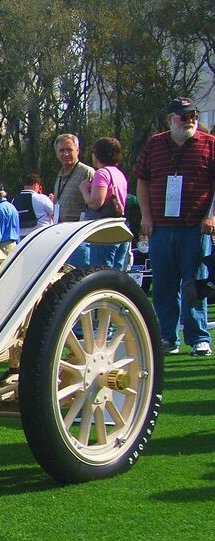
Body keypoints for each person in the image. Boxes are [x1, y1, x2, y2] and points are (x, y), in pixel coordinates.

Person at [134, 96, 215, 356]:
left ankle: (199, 337)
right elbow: (143, 182)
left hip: (195, 226)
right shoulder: (155, 144)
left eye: (193, 114)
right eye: (184, 115)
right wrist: (146, 216)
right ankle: (167, 338)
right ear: (170, 119)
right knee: (164, 286)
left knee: (194, 284)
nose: (190, 119)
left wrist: (211, 216)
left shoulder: (210, 144)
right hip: (160, 227)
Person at [77, 136, 130, 269]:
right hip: (121, 228)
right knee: (117, 276)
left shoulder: (101, 173)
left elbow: (95, 203)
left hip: (105, 230)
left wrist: (84, 190)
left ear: (97, 154)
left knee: (101, 274)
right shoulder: (119, 174)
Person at [52, 134, 95, 223]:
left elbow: (94, 205)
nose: (65, 154)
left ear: (77, 151)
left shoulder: (86, 172)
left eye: (69, 149)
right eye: (61, 150)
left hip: (79, 230)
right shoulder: (60, 175)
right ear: (57, 154)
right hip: (61, 229)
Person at [13, 173, 55, 241]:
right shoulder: (42, 198)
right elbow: (55, 214)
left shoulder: (14, 200)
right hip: (41, 236)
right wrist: (53, 202)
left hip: (21, 238)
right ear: (36, 185)